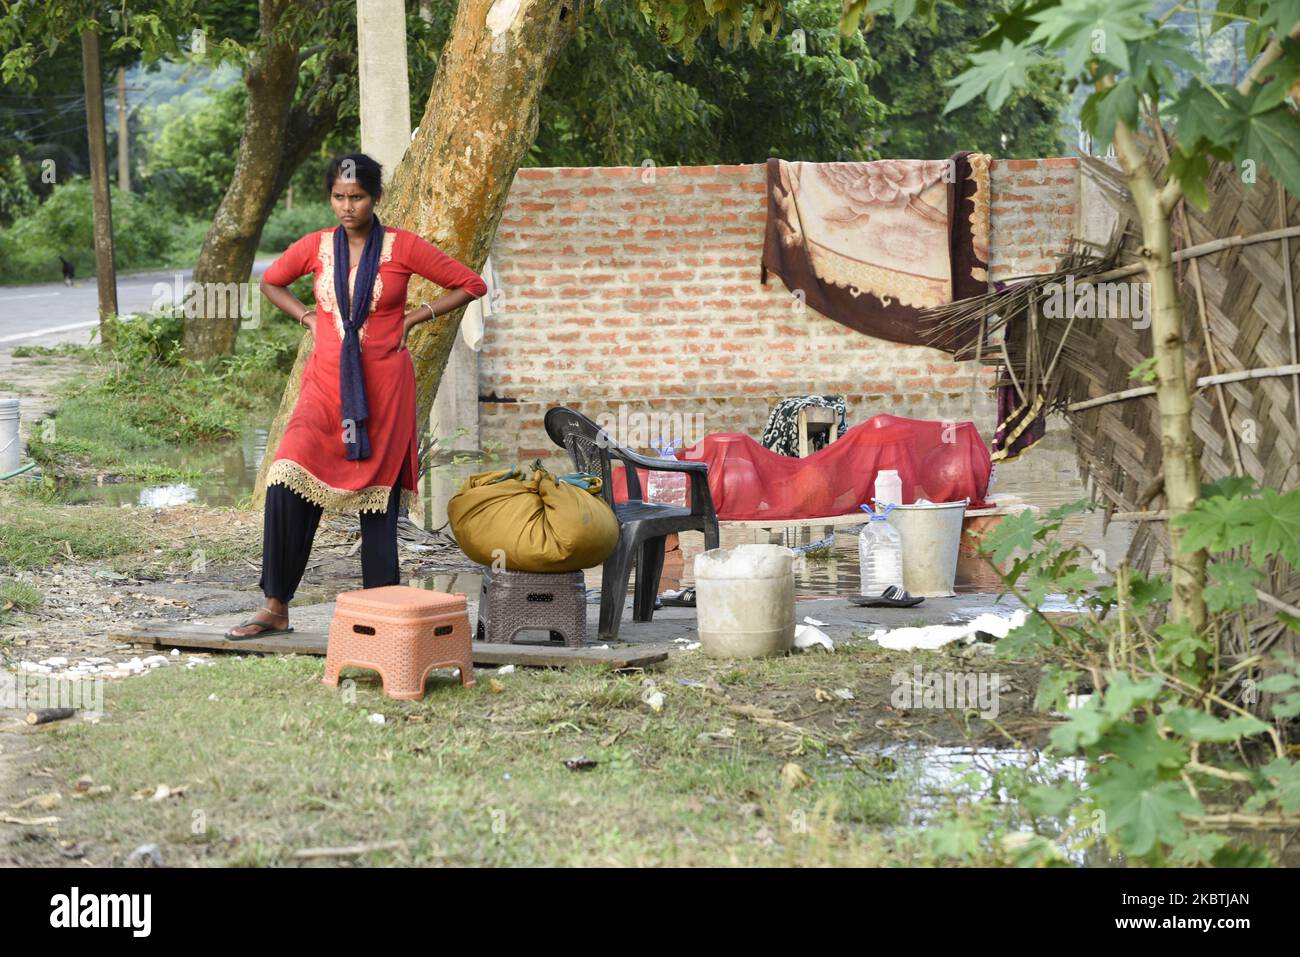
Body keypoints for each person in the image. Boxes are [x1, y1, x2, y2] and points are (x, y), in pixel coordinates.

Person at [225, 152, 487, 638]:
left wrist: (416, 317)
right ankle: (275, 606)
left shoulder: (403, 247)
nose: (347, 207)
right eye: (339, 197)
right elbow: (272, 282)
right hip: (324, 386)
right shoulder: (316, 246)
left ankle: (379, 617)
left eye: (358, 197)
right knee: (286, 481)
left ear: (376, 197)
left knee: (377, 503)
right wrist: (308, 317)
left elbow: (472, 284)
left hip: (384, 388)